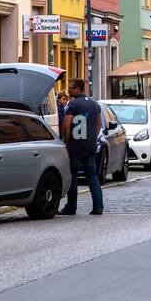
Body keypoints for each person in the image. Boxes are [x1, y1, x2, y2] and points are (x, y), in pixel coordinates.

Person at [59, 78, 105, 216]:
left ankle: (71, 207)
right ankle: (98, 206)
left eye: (71, 87)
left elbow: (67, 124)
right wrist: (92, 137)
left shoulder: (72, 105)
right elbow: (98, 124)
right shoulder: (94, 104)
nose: (69, 90)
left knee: (72, 175)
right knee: (92, 175)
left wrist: (67, 141)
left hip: (76, 146)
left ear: (78, 89)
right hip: (90, 145)